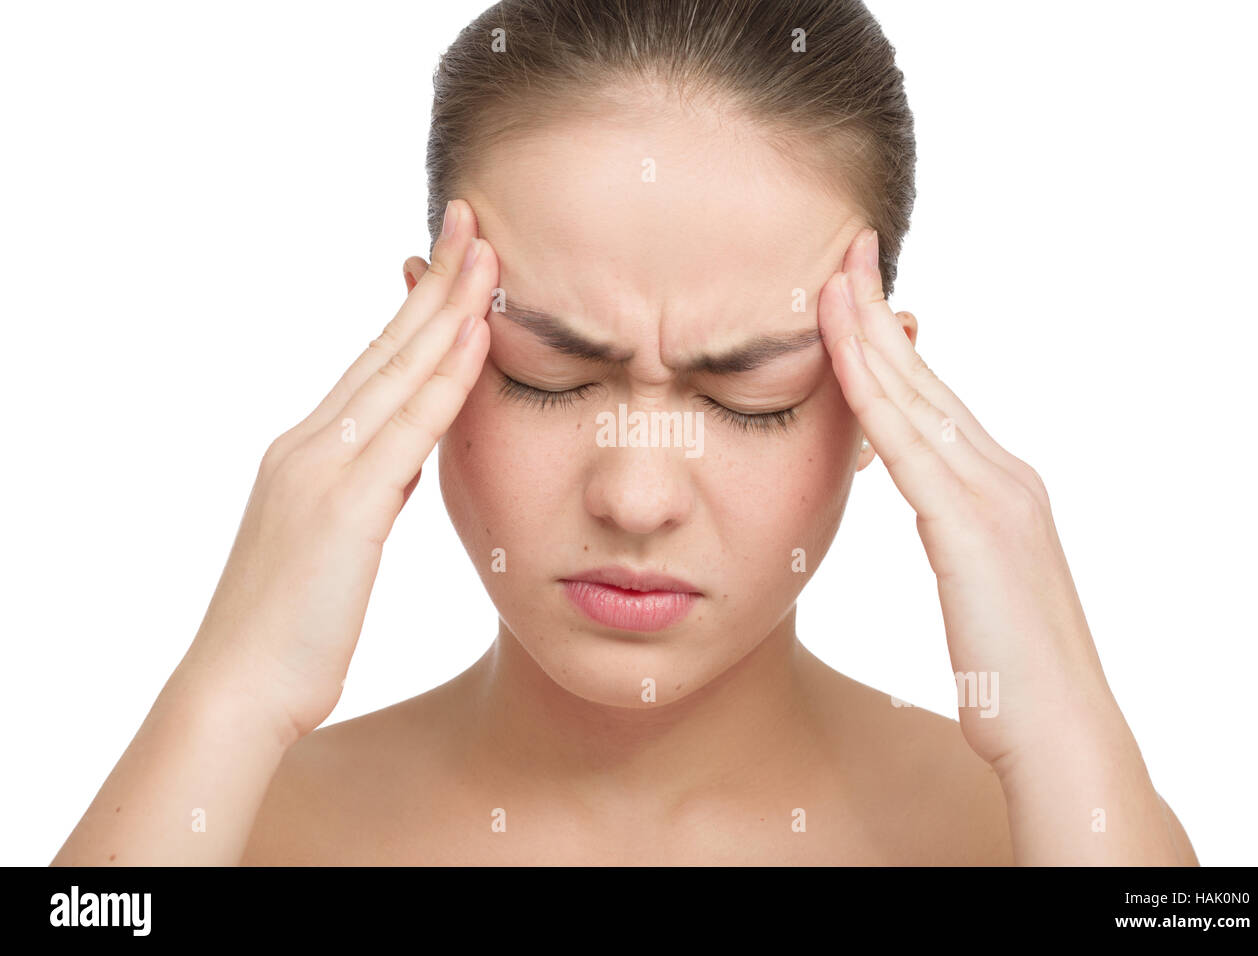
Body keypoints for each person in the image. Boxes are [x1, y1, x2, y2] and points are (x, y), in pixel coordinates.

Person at [52, 0, 1196, 866]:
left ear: (874, 395)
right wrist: (230, 688)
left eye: (750, 392)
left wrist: (1060, 718)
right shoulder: (230, 820)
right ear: (418, 348)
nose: (637, 496)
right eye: (550, 373)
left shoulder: (1048, 826)